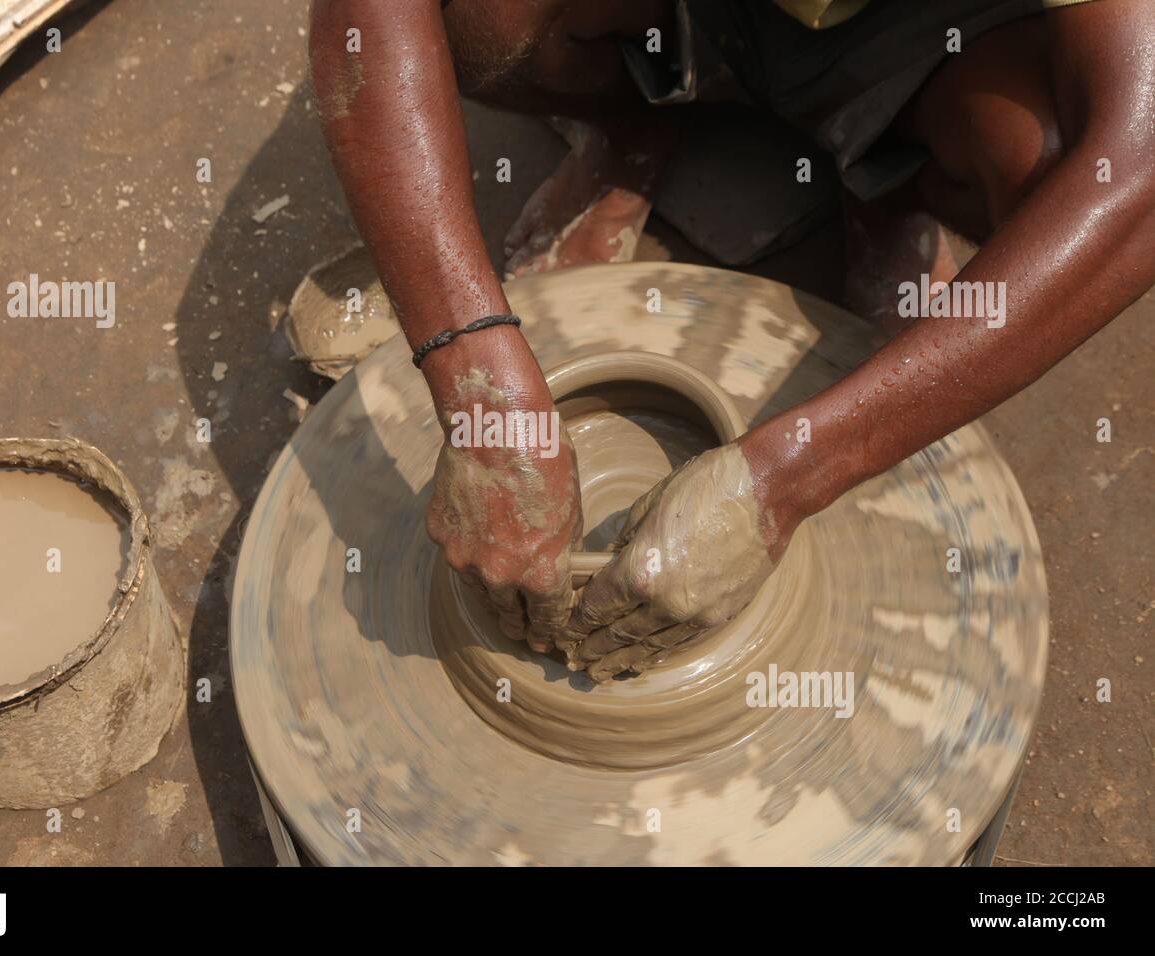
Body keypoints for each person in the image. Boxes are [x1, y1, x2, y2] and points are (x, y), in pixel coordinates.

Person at [308, 0, 1155, 681]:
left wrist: (784, 479)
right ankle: (632, 124)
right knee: (480, 18)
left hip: (922, 30)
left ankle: (890, 178)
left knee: (1043, 161)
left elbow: (1141, 166)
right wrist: (474, 377)